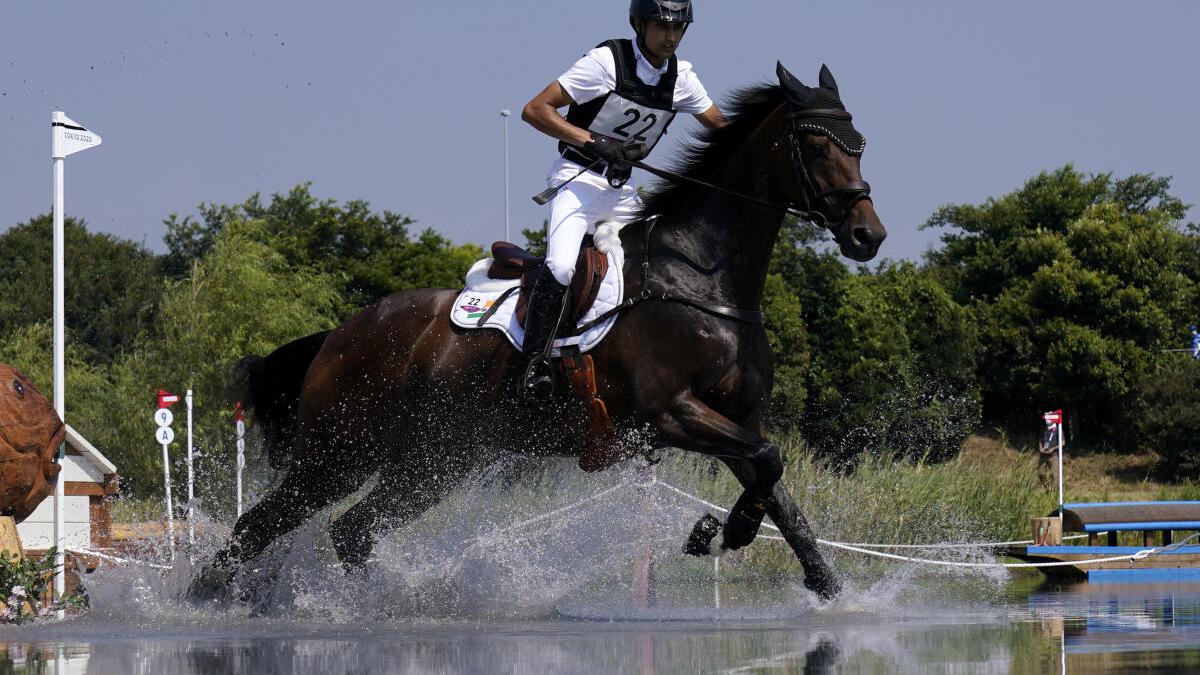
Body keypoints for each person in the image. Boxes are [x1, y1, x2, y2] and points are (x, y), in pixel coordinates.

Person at [519, 0, 727, 400]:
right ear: (638, 24)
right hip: (576, 181)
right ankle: (534, 364)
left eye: (679, 28)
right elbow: (535, 110)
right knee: (562, 266)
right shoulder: (605, 63)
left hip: (620, 192)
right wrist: (593, 141)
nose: (671, 37)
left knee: (657, 268)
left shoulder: (681, 78)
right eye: (662, 26)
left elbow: (721, 128)